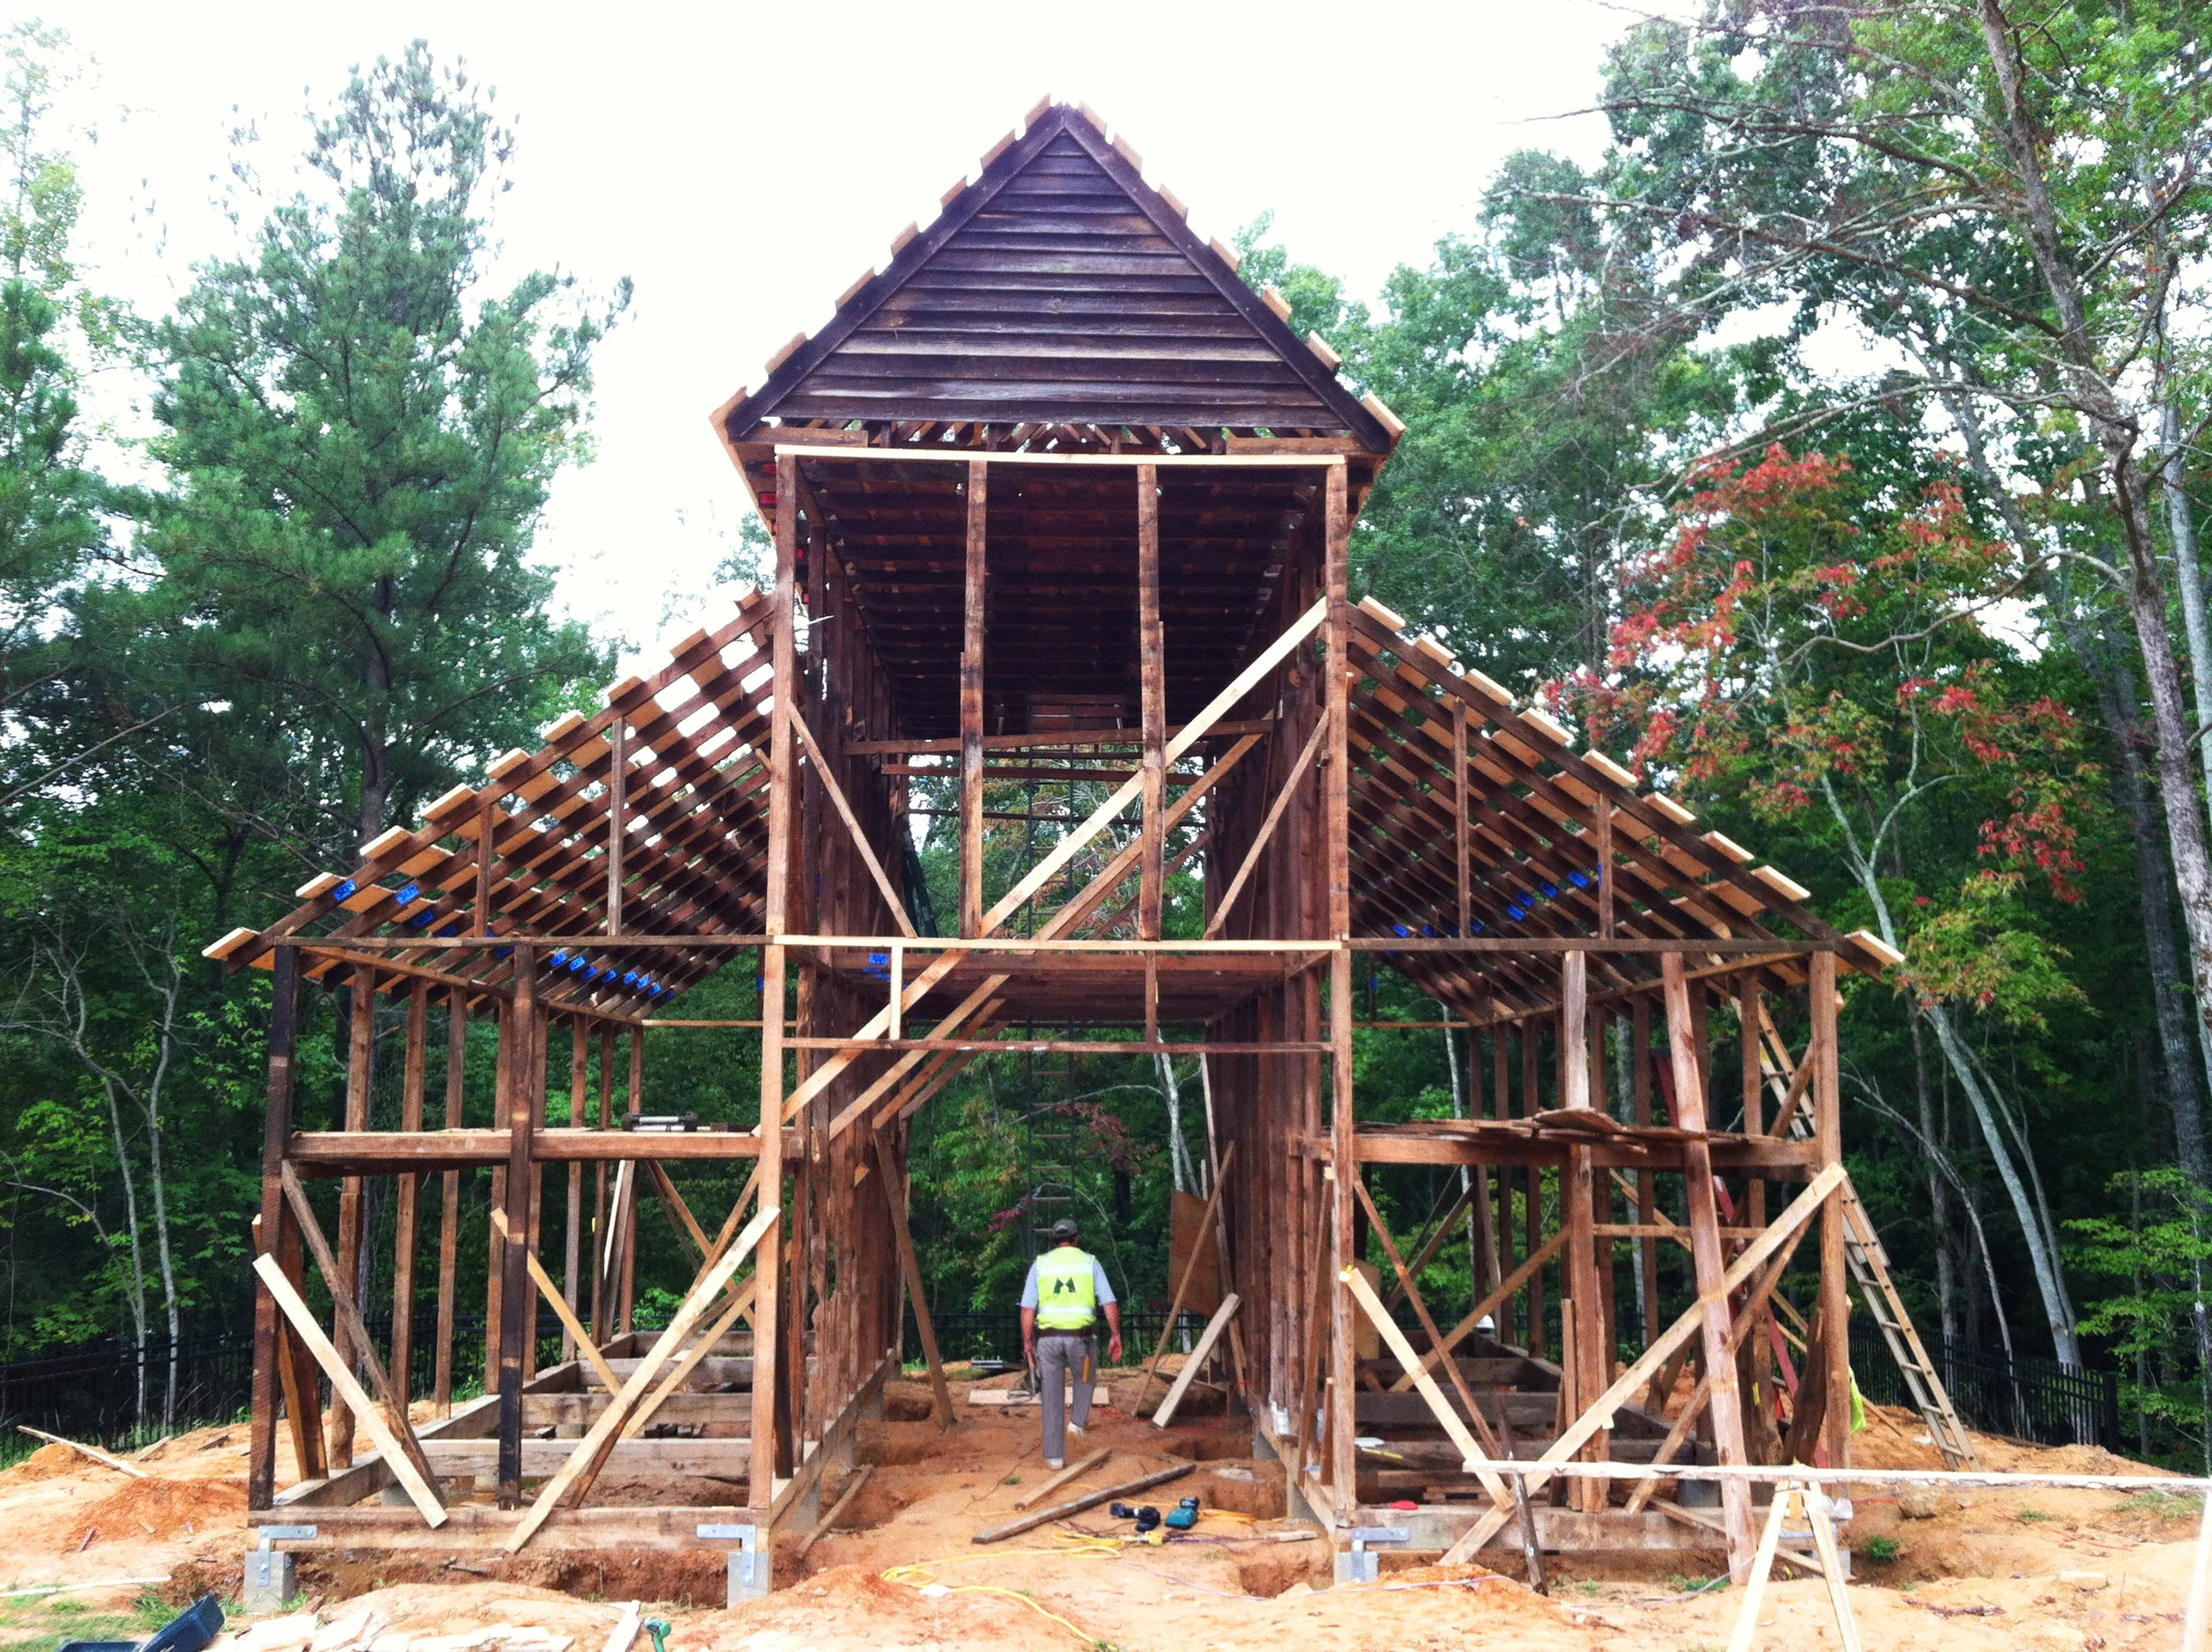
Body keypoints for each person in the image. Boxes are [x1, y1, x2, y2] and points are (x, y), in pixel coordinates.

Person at [1019, 1218, 1123, 1469]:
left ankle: (1055, 1457)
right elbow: (1109, 1302)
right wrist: (1116, 1335)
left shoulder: (1040, 1264)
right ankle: (1076, 1424)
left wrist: (1028, 1343)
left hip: (1048, 1342)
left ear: (1054, 1241)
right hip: (1081, 1340)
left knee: (1052, 1394)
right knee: (1085, 1380)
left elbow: (1027, 1309)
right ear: (1077, 1239)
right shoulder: (1090, 1263)